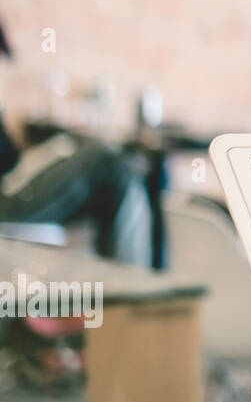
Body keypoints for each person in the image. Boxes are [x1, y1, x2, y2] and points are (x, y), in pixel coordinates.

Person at [0, 20, 152, 267]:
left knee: (115, 172)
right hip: (6, 196)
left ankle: (129, 289)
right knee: (105, 161)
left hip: (12, 183)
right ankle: (137, 291)